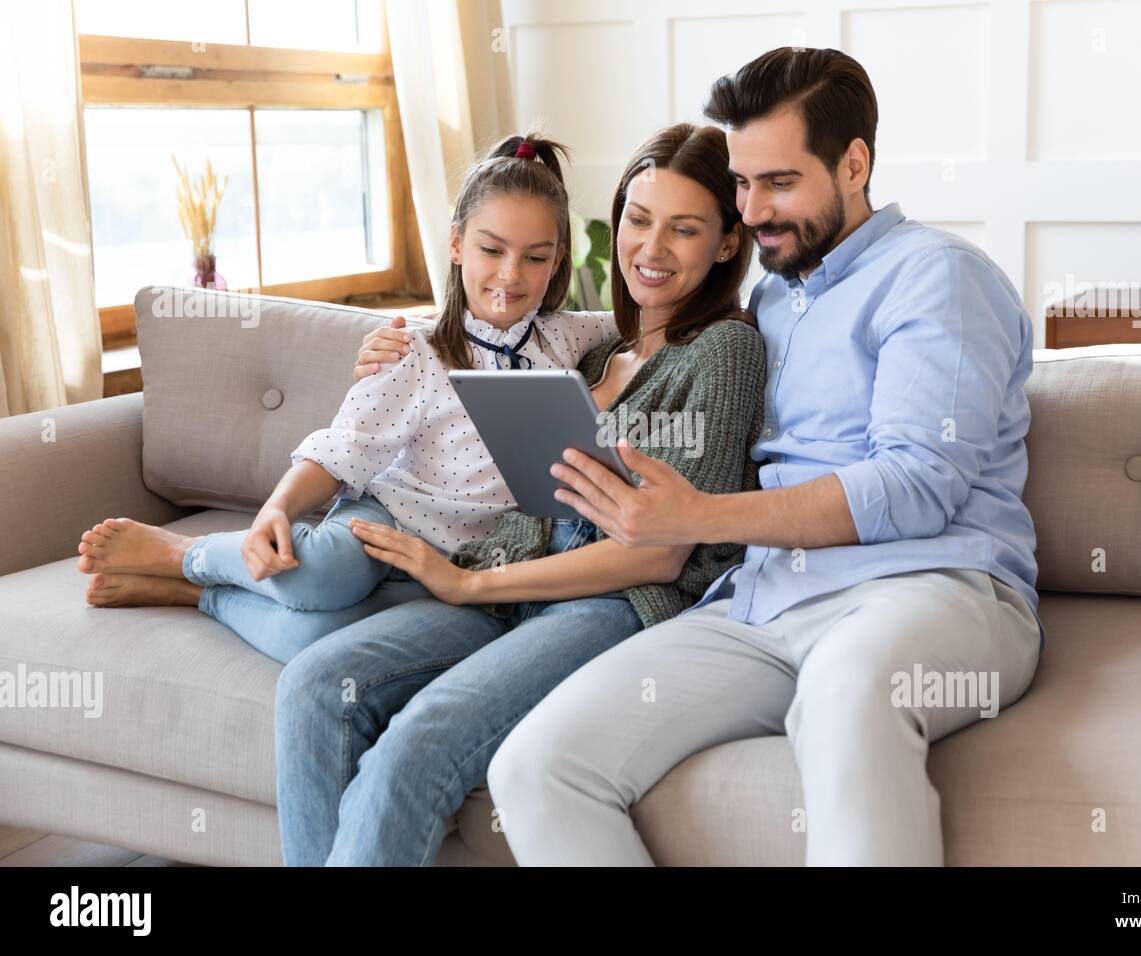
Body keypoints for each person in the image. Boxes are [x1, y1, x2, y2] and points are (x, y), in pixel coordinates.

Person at [483, 47, 1044, 866]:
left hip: (932, 588)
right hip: (764, 598)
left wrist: (700, 515)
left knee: (847, 693)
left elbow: (917, 485)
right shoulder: (774, 297)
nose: (752, 211)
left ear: (854, 164)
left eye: (778, 182)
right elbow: (628, 341)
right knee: (538, 766)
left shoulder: (936, 277)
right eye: (742, 184)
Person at [272, 122, 767, 865]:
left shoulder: (725, 352)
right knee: (316, 684)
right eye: (637, 220)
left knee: (421, 738)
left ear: (727, 244)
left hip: (610, 604)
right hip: (515, 587)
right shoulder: (595, 347)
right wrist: (391, 339)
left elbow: (659, 559)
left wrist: (472, 583)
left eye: (684, 230)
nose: (650, 250)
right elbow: (489, 316)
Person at [74, 133, 613, 663]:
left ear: (558, 257)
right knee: (320, 577)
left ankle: (200, 596)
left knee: (316, 643)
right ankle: (182, 555)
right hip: (385, 519)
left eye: (535, 257)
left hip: (452, 562)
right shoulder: (412, 349)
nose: (510, 275)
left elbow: (657, 320)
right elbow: (341, 450)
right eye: (491, 249)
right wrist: (275, 509)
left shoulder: (566, 335)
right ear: (455, 244)